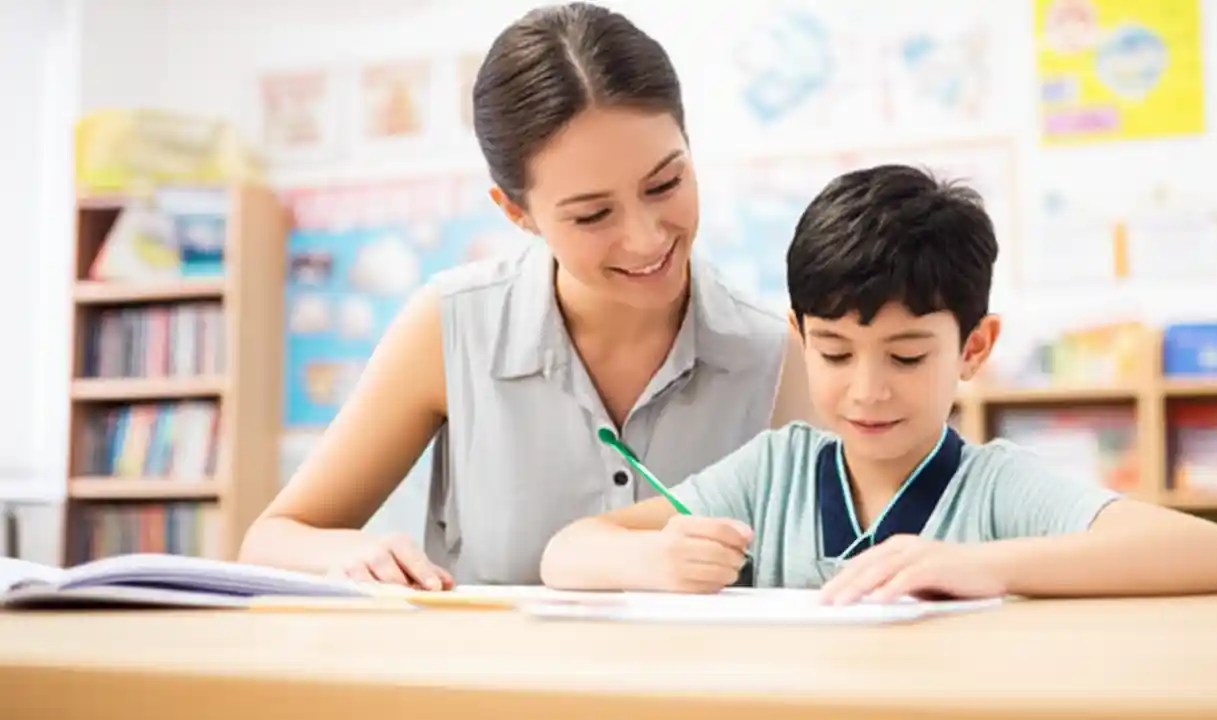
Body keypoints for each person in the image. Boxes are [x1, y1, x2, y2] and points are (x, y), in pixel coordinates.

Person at [239, 2, 812, 587]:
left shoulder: (778, 353)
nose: (645, 238)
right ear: (517, 212)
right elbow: (271, 538)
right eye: (592, 215)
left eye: (665, 183)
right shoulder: (452, 327)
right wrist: (354, 553)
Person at [540, 165, 1217, 602]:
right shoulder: (773, 474)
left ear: (974, 347)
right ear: (800, 337)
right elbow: (566, 551)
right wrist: (654, 557)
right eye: (835, 354)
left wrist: (986, 567)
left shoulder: (995, 489)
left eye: (906, 358)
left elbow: (1212, 555)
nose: (867, 391)